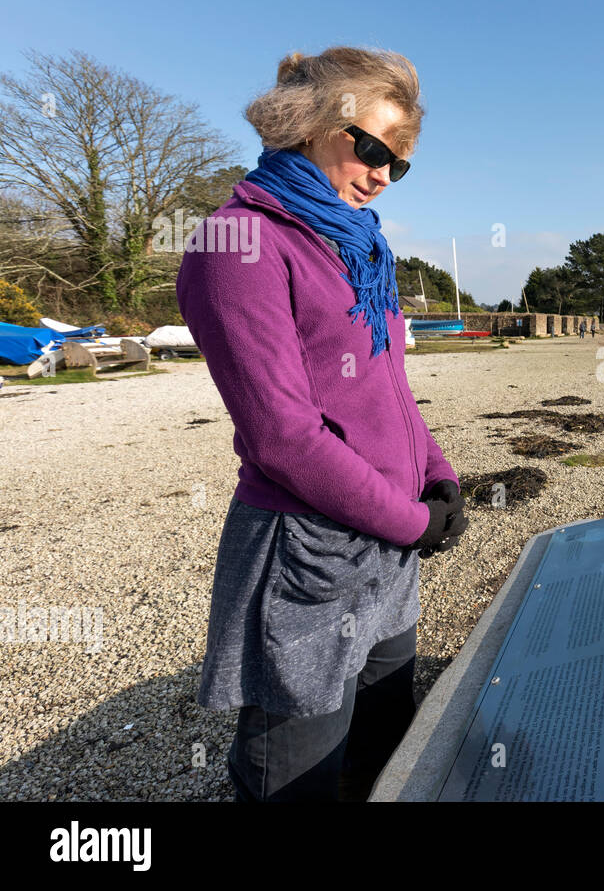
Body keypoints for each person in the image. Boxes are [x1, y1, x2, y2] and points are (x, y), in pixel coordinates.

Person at [176, 47, 467, 802]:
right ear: (307, 123)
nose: (380, 175)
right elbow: (283, 436)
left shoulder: (356, 245)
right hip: (307, 555)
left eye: (397, 164)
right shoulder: (237, 245)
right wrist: (410, 520)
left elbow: (387, 390)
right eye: (370, 148)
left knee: (388, 754)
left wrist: (439, 476)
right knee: (297, 779)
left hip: (389, 550)